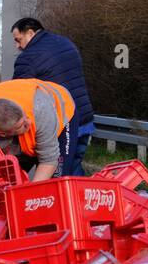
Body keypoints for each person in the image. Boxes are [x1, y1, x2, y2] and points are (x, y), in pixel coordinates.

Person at [10, 16, 94, 176]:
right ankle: (82, 199)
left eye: (18, 40)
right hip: (84, 118)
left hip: (61, 125)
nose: (17, 46)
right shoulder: (66, 43)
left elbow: (19, 96)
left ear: (29, 33)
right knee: (74, 169)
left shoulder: (27, 58)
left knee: (57, 177)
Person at [0, 78, 74, 182]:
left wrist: (33, 194)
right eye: (21, 126)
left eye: (25, 117)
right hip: (26, 118)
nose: (29, 123)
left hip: (59, 107)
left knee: (56, 180)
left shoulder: (40, 113)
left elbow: (49, 161)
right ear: (2, 134)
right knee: (12, 179)